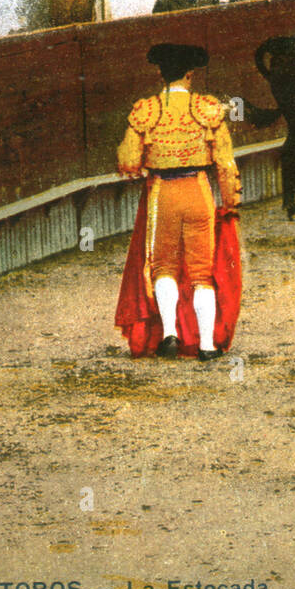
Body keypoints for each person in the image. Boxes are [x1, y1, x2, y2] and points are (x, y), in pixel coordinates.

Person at [115, 43, 241, 361]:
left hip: (162, 193)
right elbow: (225, 164)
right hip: (198, 190)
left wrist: (149, 158)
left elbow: (128, 161)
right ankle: (207, 346)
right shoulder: (207, 109)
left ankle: (169, 334)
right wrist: (230, 202)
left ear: (161, 73)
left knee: (164, 267)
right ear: (190, 75)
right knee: (202, 271)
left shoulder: (146, 110)